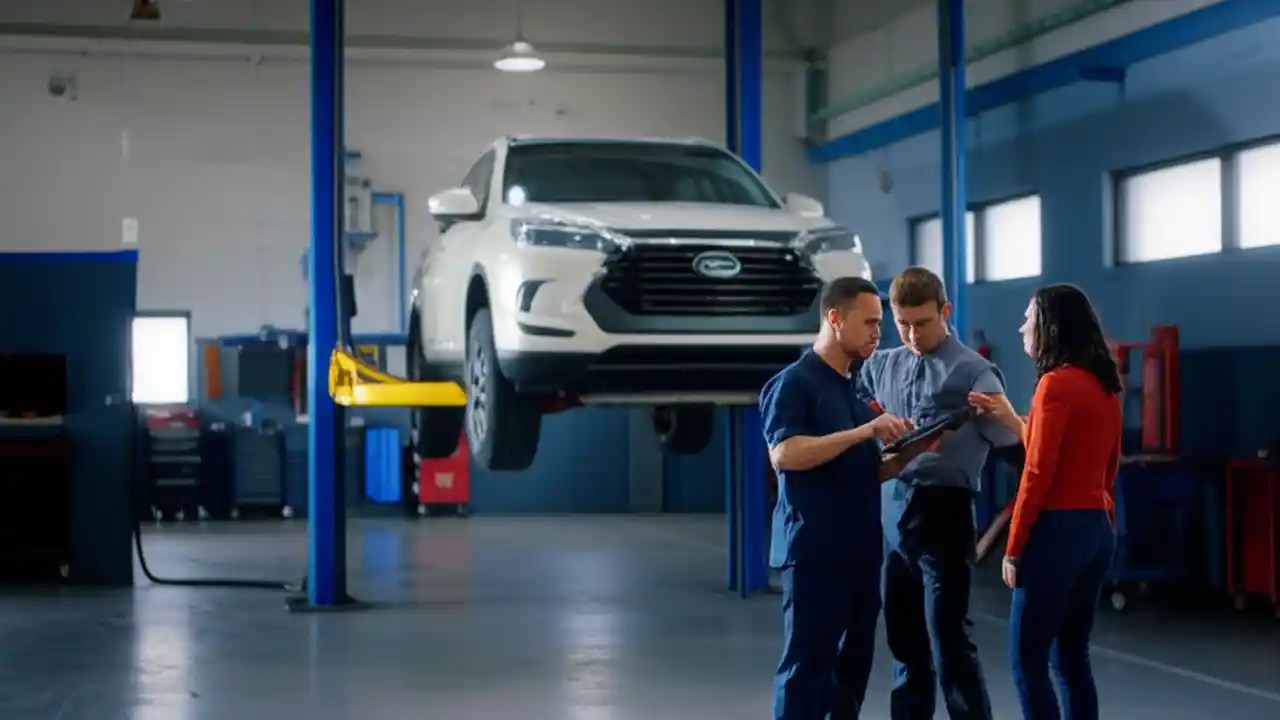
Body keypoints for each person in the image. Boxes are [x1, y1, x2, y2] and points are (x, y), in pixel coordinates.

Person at [855, 267, 1020, 720]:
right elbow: (852, 398)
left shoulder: (975, 373)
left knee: (948, 640)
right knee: (904, 645)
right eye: (902, 323)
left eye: (923, 323)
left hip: (945, 517)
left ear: (945, 312)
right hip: (894, 519)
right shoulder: (882, 364)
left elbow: (1017, 449)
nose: (912, 334)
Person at [760, 276, 914, 720]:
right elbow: (786, 454)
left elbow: (866, 468)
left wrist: (911, 451)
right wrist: (865, 431)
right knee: (807, 668)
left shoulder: (854, 389)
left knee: (852, 673)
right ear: (834, 318)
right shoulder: (794, 384)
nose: (876, 333)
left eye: (879, 324)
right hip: (815, 554)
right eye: (868, 322)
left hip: (861, 554)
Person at [968, 284, 1122, 720]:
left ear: (1050, 327)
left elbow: (1037, 472)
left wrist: (1013, 548)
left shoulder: (1054, 384)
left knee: (1028, 660)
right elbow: (1101, 464)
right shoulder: (1103, 385)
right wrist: (1008, 417)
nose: (1021, 328)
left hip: (1057, 532)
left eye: (1029, 319)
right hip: (1096, 528)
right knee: (1072, 657)